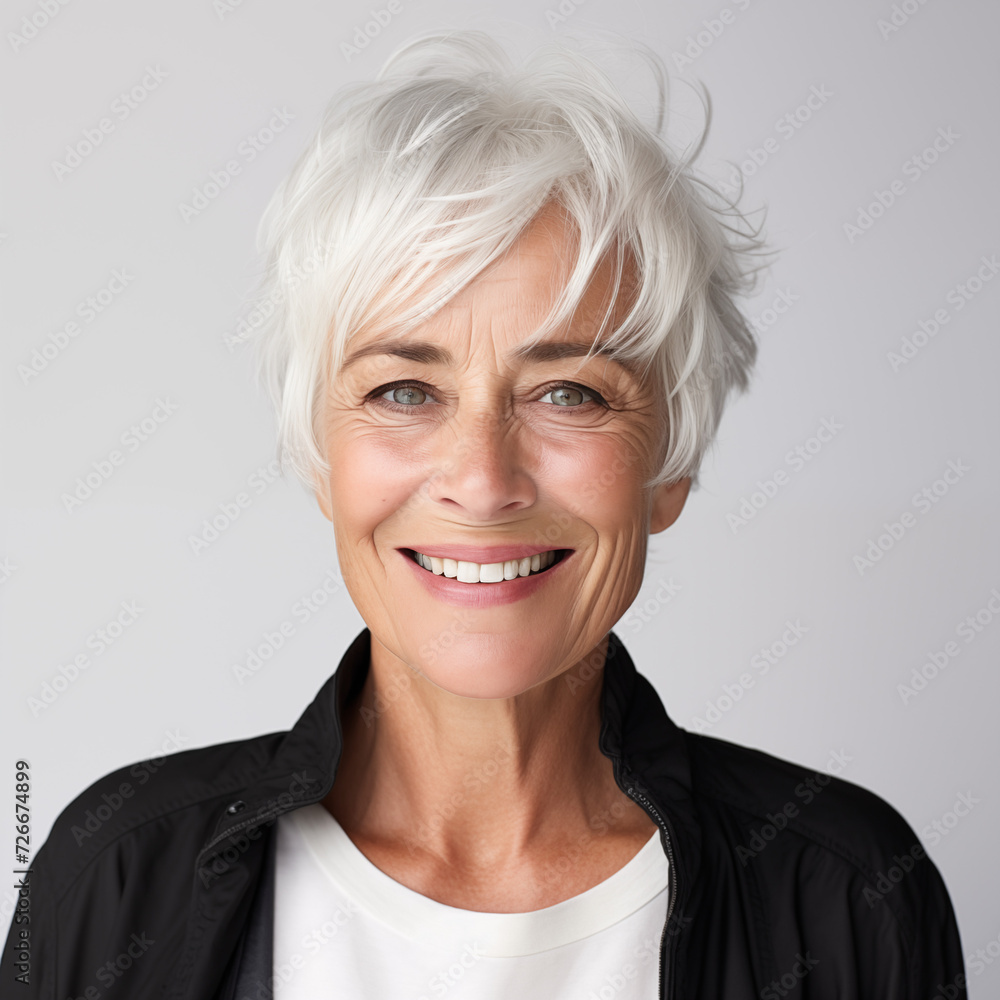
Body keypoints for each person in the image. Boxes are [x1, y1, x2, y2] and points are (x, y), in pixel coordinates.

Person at [3, 29, 966, 1000]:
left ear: (668, 469)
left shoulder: (848, 894)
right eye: (404, 391)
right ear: (322, 459)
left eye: (569, 392)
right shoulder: (116, 878)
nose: (481, 479)